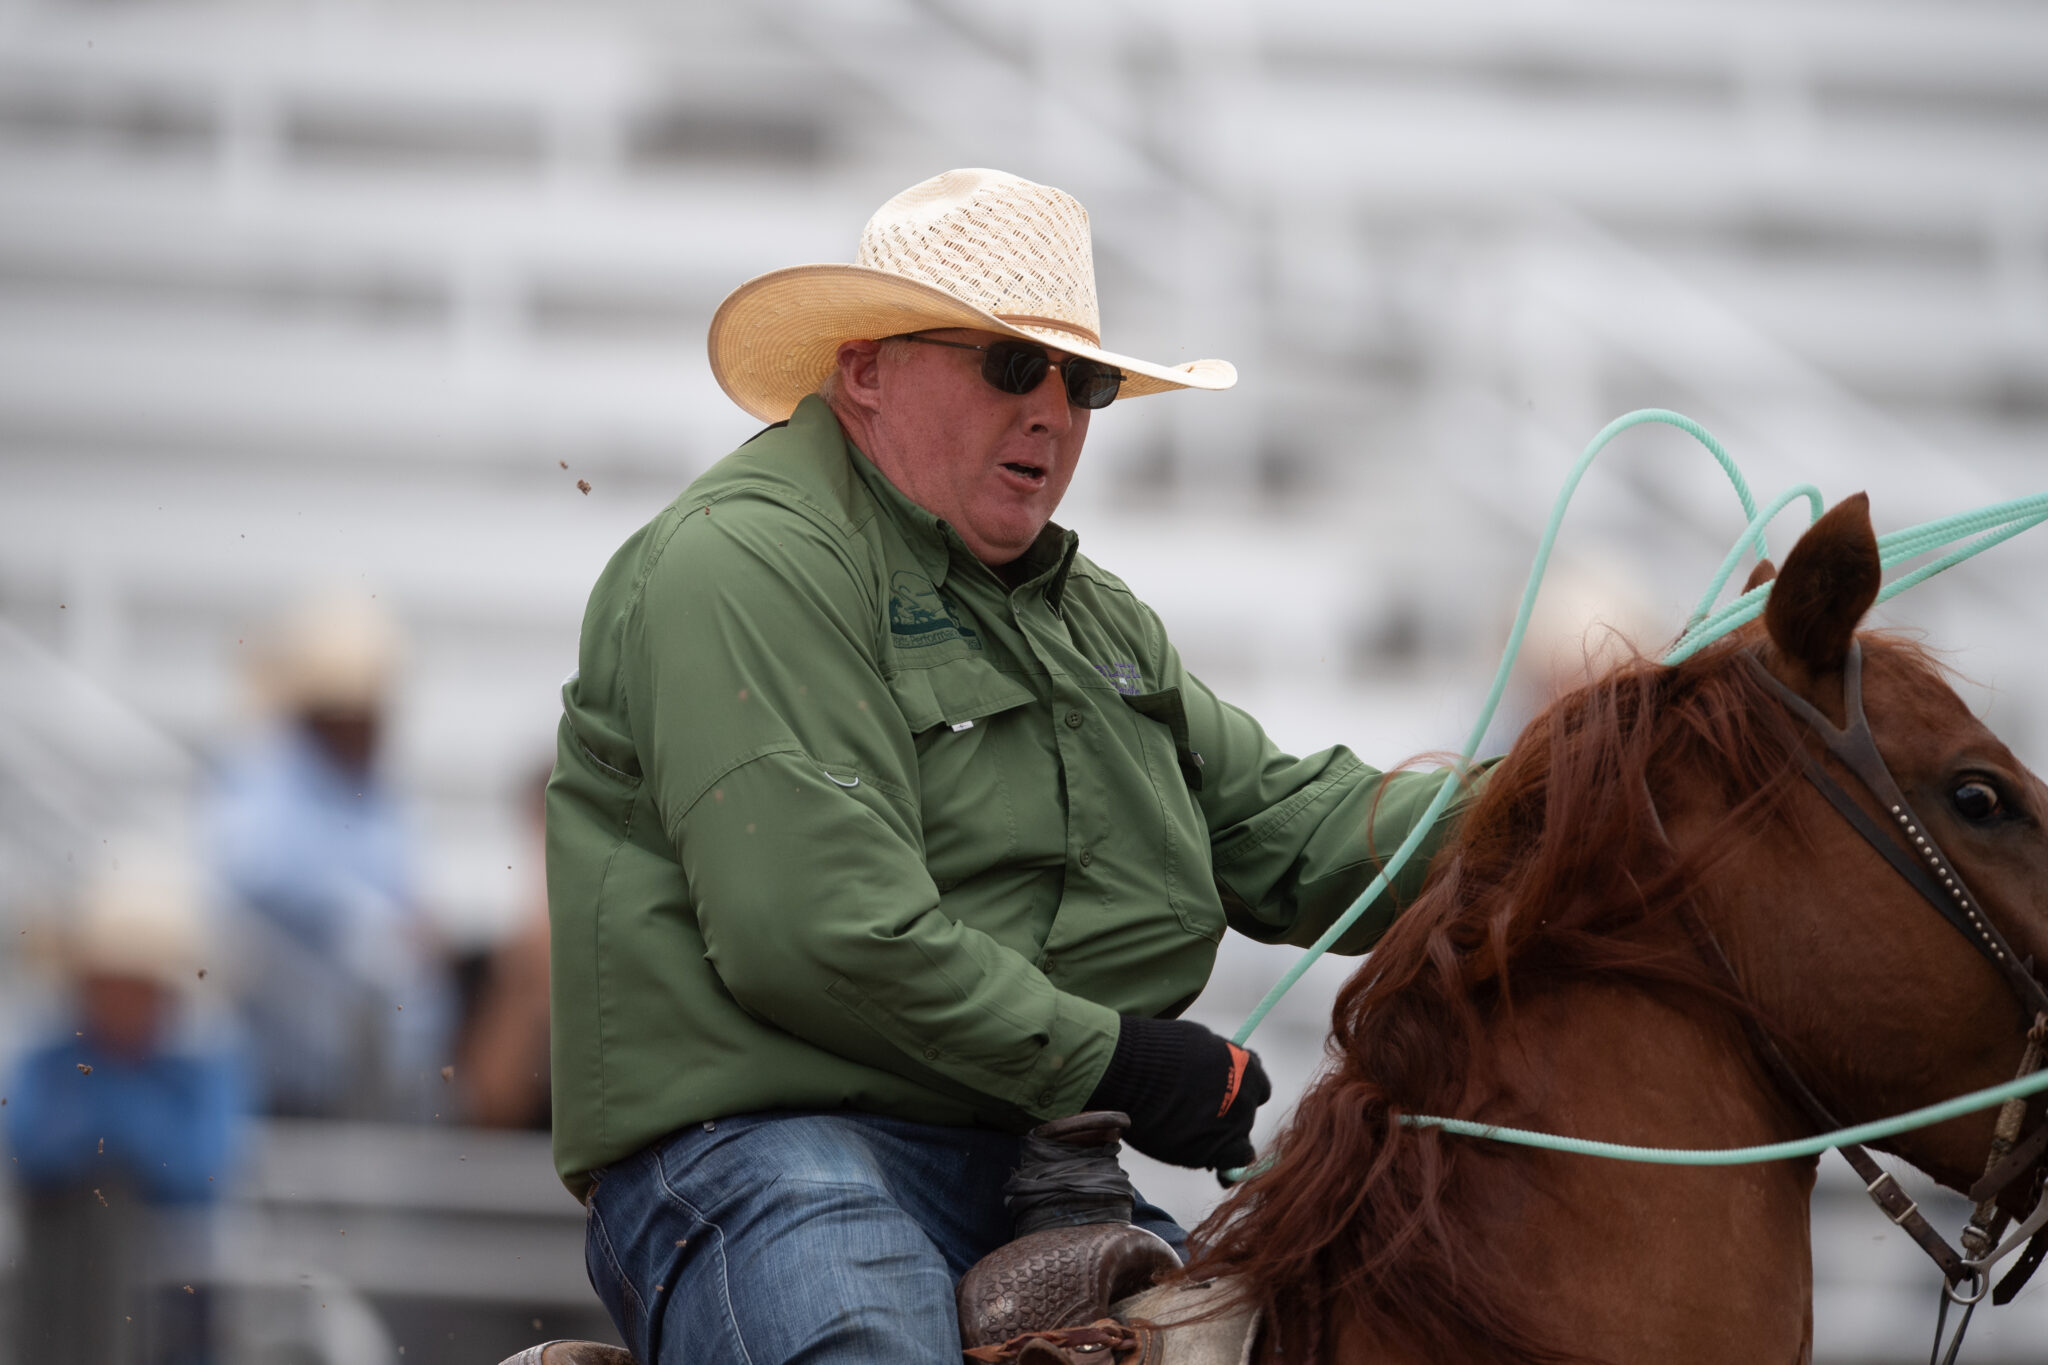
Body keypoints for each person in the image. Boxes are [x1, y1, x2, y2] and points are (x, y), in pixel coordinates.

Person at [545, 168, 1479, 1365]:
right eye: (1005, 365)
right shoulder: (744, 559)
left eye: (1080, 381)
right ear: (864, 369)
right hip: (761, 1151)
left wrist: (1585, 785)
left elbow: (1287, 826)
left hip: (1043, 1164)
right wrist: (1127, 1062)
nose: (1051, 411)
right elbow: (819, 932)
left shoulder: (1088, 615)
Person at [206, 590, 454, 1119]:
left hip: (372, 1071)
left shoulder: (381, 795)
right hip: (279, 1062)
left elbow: (408, 904)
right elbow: (252, 869)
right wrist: (370, 925)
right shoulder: (265, 774)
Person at [6, 846, 249, 1365]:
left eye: (136, 983)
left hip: (174, 1312)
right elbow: (26, 1146)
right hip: (57, 1305)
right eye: (109, 981)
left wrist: (103, 1127)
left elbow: (201, 1168)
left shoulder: (202, 1070)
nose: (121, 998)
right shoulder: (47, 1061)